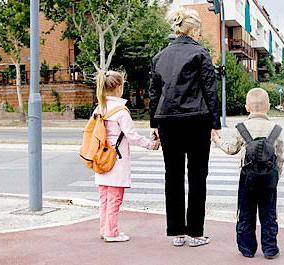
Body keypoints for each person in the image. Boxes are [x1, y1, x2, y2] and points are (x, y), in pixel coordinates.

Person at [149, 7, 221, 247]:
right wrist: (215, 123)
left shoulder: (159, 57)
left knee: (173, 176)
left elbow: (154, 93)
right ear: (195, 29)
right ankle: (195, 233)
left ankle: (177, 233)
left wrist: (154, 124)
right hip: (196, 119)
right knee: (198, 176)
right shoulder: (200, 53)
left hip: (167, 121)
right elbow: (209, 90)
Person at [212, 88, 284, 259]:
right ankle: (270, 249)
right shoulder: (276, 129)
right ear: (268, 107)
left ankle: (247, 248)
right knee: (269, 214)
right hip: (269, 180)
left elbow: (231, 149)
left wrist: (217, 141)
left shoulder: (242, 128)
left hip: (247, 179)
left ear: (246, 107)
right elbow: (280, 157)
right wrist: (276, 177)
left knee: (245, 213)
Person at [94, 70, 160, 243]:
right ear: (119, 87)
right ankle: (112, 231)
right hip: (116, 159)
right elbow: (132, 137)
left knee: (104, 198)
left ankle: (104, 228)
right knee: (115, 197)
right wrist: (151, 144)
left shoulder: (99, 107)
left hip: (100, 158)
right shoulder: (121, 111)